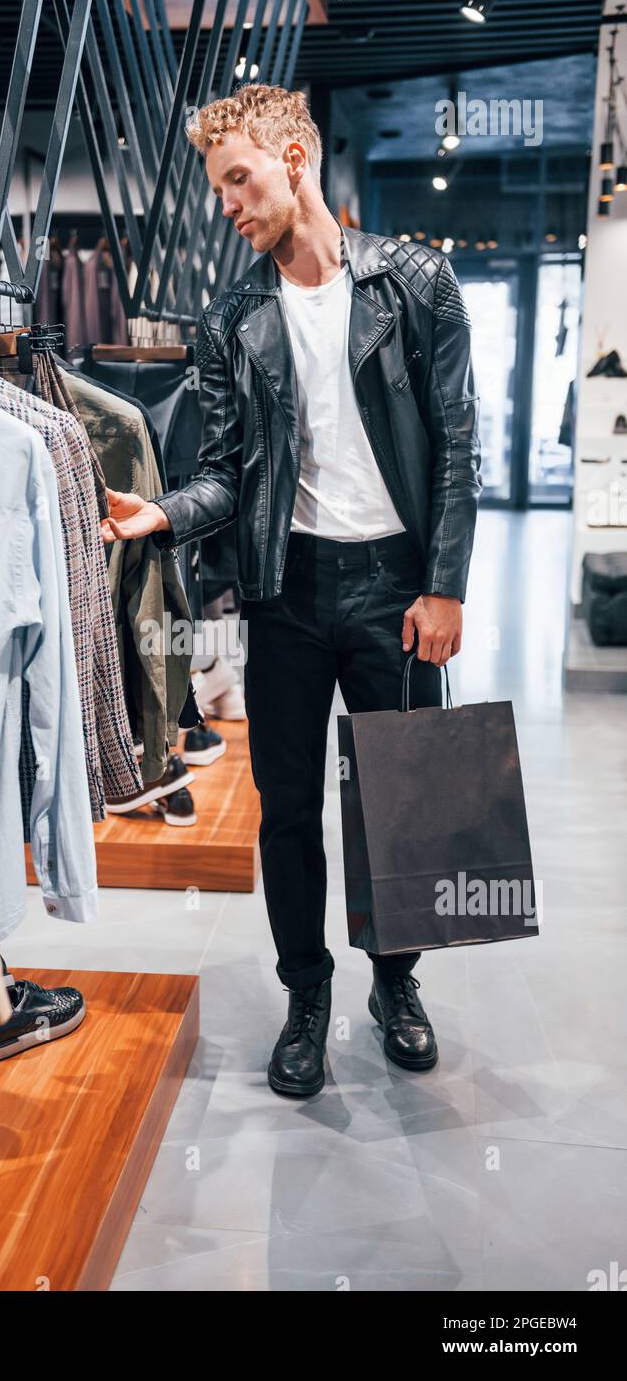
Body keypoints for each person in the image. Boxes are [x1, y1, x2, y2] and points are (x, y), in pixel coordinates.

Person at [100, 84, 482, 1096]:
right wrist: (160, 513)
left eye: (240, 179)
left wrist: (442, 586)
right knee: (285, 809)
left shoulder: (413, 284)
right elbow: (226, 471)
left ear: (296, 155)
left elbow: (455, 451)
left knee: (400, 800)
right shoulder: (234, 318)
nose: (228, 203)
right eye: (218, 187)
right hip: (284, 590)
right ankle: (303, 993)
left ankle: (394, 985)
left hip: (395, 588)